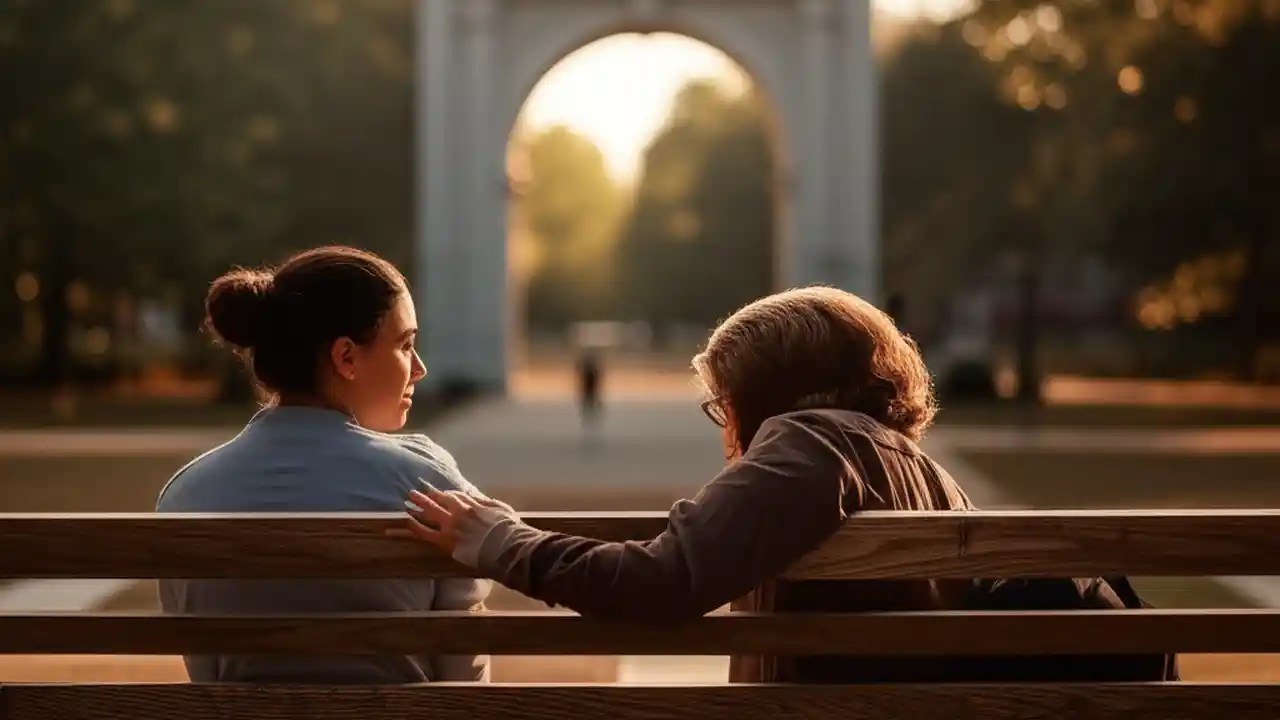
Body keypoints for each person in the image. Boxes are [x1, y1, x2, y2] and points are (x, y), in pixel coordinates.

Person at [399, 286, 977, 683]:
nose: (725, 425)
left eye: (724, 402)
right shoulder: (924, 472)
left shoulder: (811, 444)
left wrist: (503, 541)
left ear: (767, 390)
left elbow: (660, 583)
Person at [157, 246, 491, 684]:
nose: (419, 369)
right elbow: (464, 682)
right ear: (346, 357)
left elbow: (206, 673)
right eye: (406, 344)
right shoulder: (428, 482)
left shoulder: (185, 495)